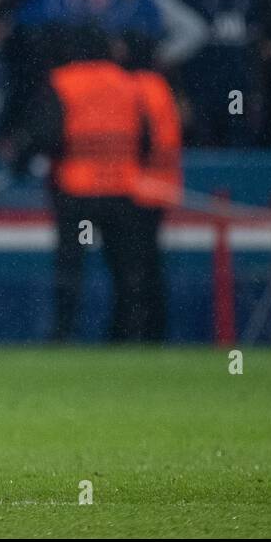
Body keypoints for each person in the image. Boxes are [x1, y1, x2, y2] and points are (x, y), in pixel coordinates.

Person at [13, 25, 148, 340]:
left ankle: (64, 333)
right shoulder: (127, 82)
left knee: (70, 269)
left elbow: (46, 135)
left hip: (76, 189)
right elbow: (146, 139)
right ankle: (127, 336)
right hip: (122, 188)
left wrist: (21, 163)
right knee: (126, 271)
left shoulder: (63, 81)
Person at [126, 33, 182, 341]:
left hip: (138, 187)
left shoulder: (134, 87)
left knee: (136, 269)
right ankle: (155, 331)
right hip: (163, 186)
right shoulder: (161, 87)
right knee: (151, 264)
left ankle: (141, 332)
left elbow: (139, 139)